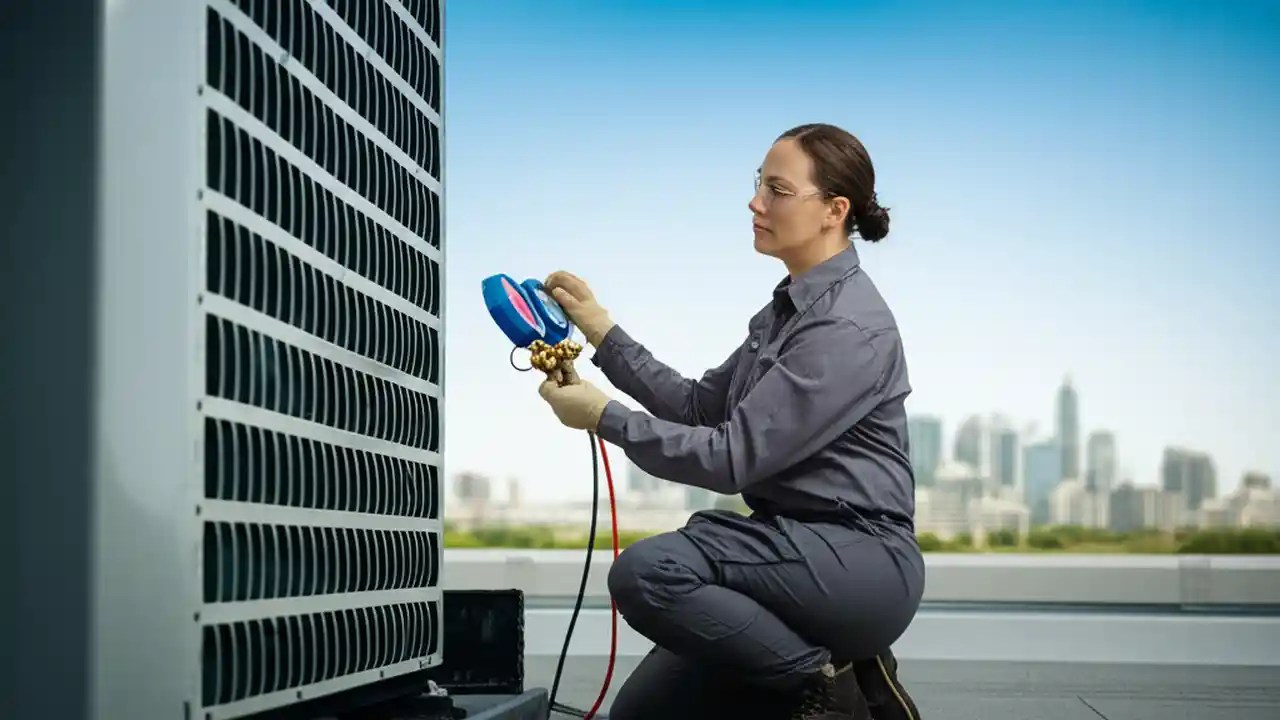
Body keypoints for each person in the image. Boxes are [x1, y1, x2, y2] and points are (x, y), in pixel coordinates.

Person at [536, 123, 925, 720]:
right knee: (641, 713)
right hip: (784, 547)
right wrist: (601, 332)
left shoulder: (845, 329)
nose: (755, 202)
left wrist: (604, 417)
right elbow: (697, 407)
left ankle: (825, 683)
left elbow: (728, 459)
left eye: (777, 189)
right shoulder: (786, 311)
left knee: (647, 573)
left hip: (856, 562)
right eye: (757, 185)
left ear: (834, 210)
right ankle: (810, 668)